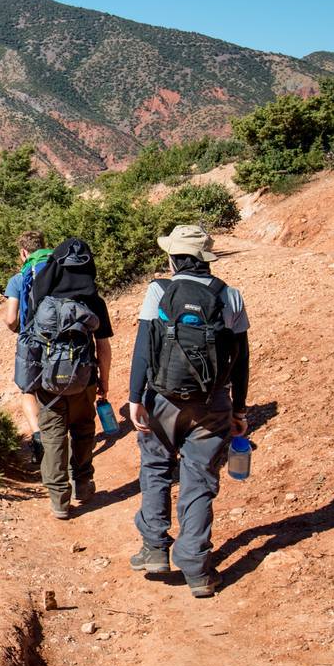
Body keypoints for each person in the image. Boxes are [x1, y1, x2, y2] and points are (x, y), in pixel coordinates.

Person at [128, 225, 250, 598]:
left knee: (155, 467)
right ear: (205, 258)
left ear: (172, 258)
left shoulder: (159, 291)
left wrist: (135, 397)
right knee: (198, 480)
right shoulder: (230, 296)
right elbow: (241, 358)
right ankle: (197, 570)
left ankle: (154, 549)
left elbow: (144, 348)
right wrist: (239, 407)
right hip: (212, 403)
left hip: (162, 399)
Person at [26, 237, 113, 520]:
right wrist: (104, 380)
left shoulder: (41, 297)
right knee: (84, 430)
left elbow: (29, 340)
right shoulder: (93, 301)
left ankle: (59, 500)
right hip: (84, 378)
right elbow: (103, 346)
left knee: (53, 437)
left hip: (48, 382)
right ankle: (83, 485)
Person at [3, 231, 54, 464]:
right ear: (43, 247)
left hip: (32, 340)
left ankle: (39, 438)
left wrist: (20, 330)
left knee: (28, 390)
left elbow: (11, 318)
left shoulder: (17, 280)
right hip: (63, 339)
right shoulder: (58, 271)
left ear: (23, 252)